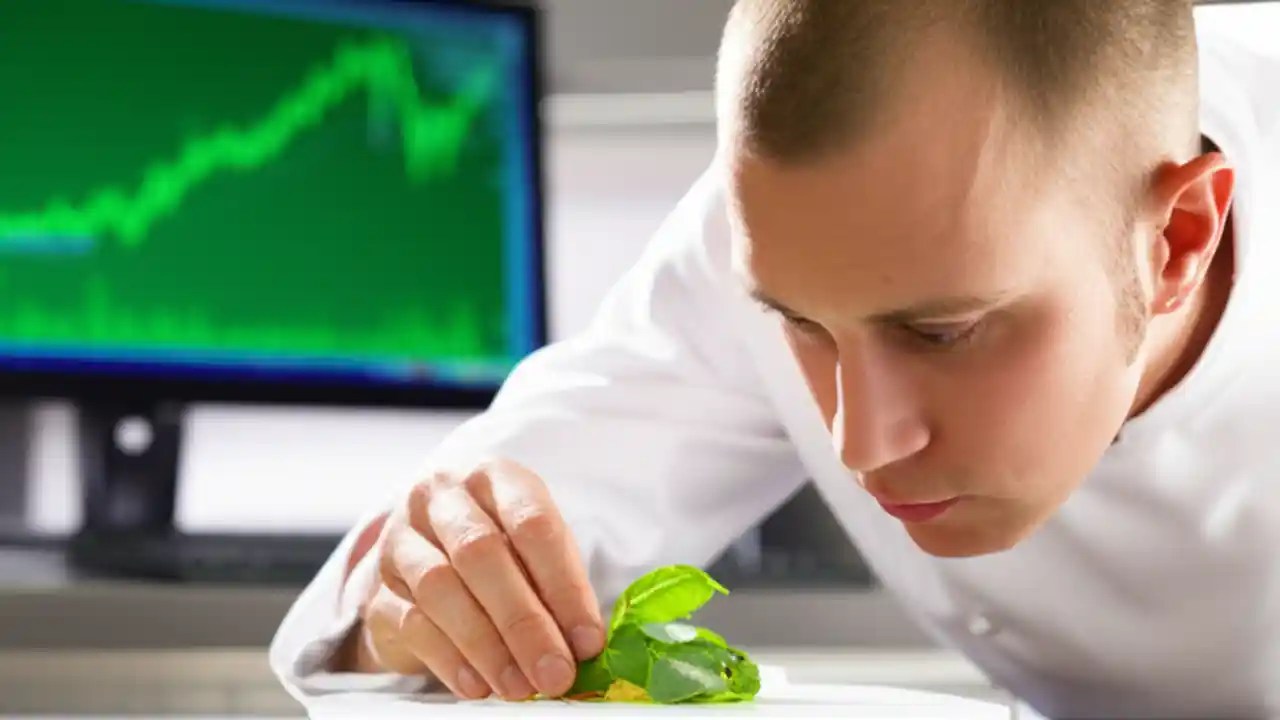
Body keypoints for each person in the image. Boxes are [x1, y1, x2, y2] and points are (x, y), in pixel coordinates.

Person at [270, 1, 1280, 717]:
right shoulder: (784, 231)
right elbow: (414, 603)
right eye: (797, 323)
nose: (860, 443)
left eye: (941, 331)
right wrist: (425, 603)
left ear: (1177, 240)